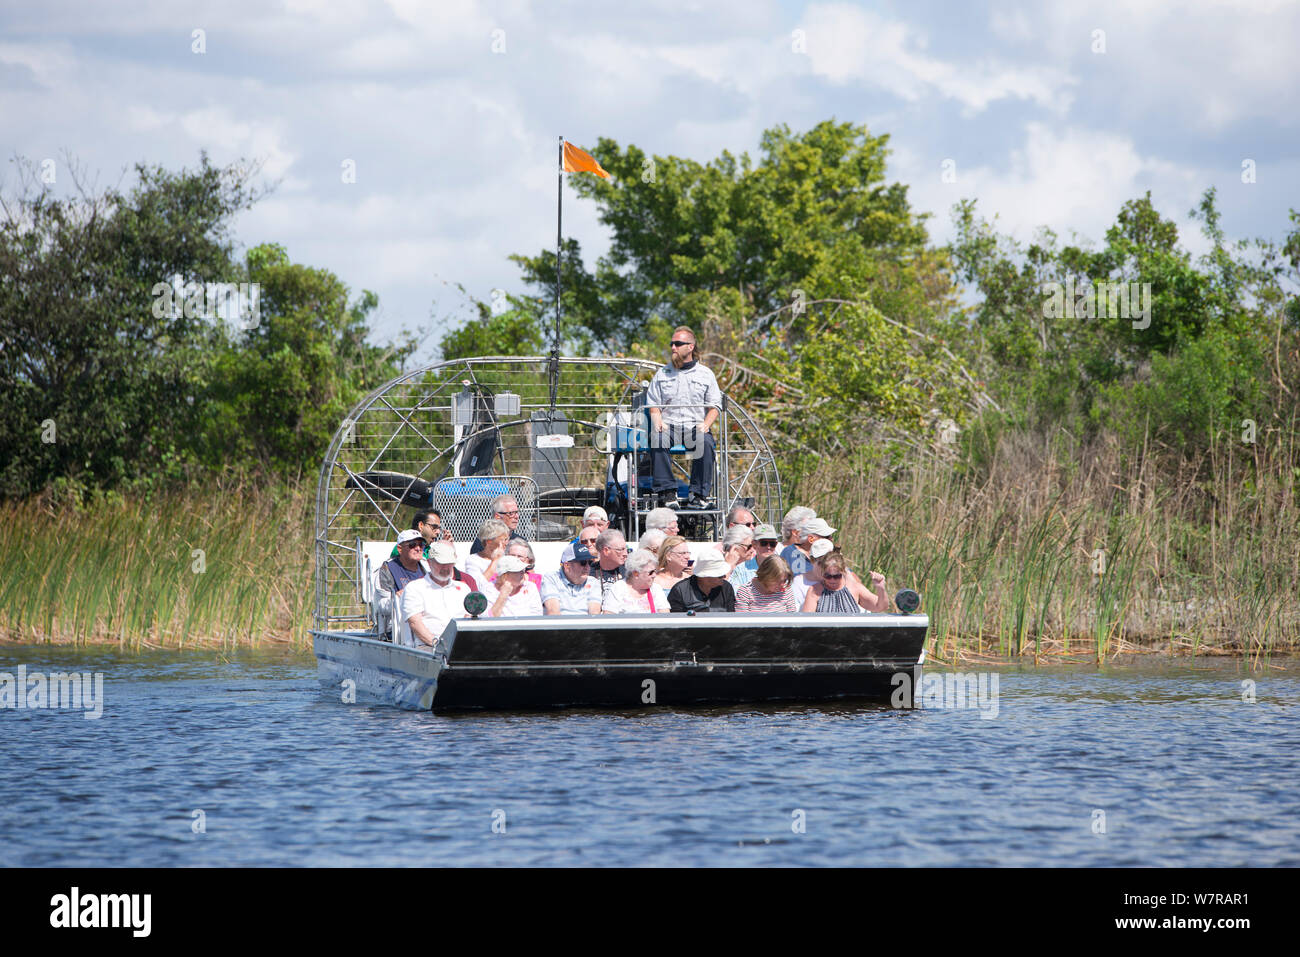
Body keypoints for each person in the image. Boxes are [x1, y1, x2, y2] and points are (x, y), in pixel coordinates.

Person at [645, 326, 722, 510]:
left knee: (706, 442)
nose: (673, 347)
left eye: (678, 344)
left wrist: (705, 425)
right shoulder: (662, 374)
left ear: (690, 347)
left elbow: (715, 407)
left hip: (695, 427)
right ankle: (667, 493)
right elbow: (653, 405)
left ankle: (698, 495)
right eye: (672, 344)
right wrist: (657, 422)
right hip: (669, 426)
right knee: (657, 438)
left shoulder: (706, 374)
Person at [400, 541, 471, 650]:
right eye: (441, 563)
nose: (446, 568)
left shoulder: (464, 589)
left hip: (460, 646)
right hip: (426, 647)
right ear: (429, 562)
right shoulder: (414, 588)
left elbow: (469, 619)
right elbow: (415, 623)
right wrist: (438, 645)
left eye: (449, 563)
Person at [801, 548, 889, 613]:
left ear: (843, 572)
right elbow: (807, 620)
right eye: (827, 576)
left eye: (836, 576)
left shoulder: (854, 588)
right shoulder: (815, 591)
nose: (832, 580)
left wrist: (880, 588)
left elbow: (880, 607)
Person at [541, 542, 602, 615]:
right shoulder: (551, 579)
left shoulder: (593, 582)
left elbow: (594, 614)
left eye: (590, 562)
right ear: (567, 565)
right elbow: (553, 613)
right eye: (583, 563)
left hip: (585, 625)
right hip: (559, 625)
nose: (588, 567)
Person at [601, 549, 665, 614]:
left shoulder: (656, 589)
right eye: (651, 572)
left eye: (655, 571)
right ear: (636, 574)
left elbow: (665, 616)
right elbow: (609, 616)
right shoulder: (618, 588)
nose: (654, 575)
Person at [668, 552, 735, 613]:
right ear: (704, 577)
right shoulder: (680, 590)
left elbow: (731, 617)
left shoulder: (726, 588)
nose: (724, 577)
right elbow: (676, 620)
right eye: (720, 575)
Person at [388, 509, 452, 560]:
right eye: (434, 527)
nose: (438, 532)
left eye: (439, 528)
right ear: (421, 525)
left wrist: (444, 548)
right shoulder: (405, 546)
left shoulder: (428, 549)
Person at [465, 518, 509, 583]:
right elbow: (477, 586)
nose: (506, 543)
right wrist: (495, 560)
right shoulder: (473, 560)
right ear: (489, 542)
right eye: (503, 540)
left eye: (507, 539)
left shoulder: (506, 558)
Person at [790, 538, 830, 609]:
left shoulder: (842, 578)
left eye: (829, 560)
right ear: (811, 560)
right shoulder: (798, 583)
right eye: (821, 562)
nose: (825, 566)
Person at [653, 535, 691, 605]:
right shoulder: (654, 580)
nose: (687, 557)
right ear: (668, 556)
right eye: (682, 553)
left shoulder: (690, 580)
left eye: (688, 553)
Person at [779, 506, 816, 575]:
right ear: (795, 533)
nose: (814, 535)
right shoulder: (777, 551)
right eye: (809, 530)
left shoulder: (814, 551)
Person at [594, 529, 628, 595]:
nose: (625, 554)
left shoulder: (629, 572)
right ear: (606, 551)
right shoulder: (588, 572)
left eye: (626, 549)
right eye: (620, 550)